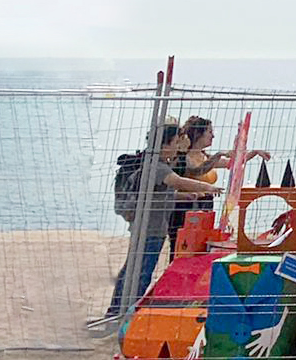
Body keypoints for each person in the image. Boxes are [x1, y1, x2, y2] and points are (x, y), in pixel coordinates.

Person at [93, 123, 219, 328]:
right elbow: (178, 181)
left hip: (146, 227)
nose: (179, 145)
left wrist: (187, 195)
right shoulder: (158, 166)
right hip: (150, 229)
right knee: (141, 273)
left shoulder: (153, 163)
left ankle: (116, 312)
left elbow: (161, 194)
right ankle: (126, 316)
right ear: (165, 144)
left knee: (131, 270)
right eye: (176, 142)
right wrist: (207, 187)